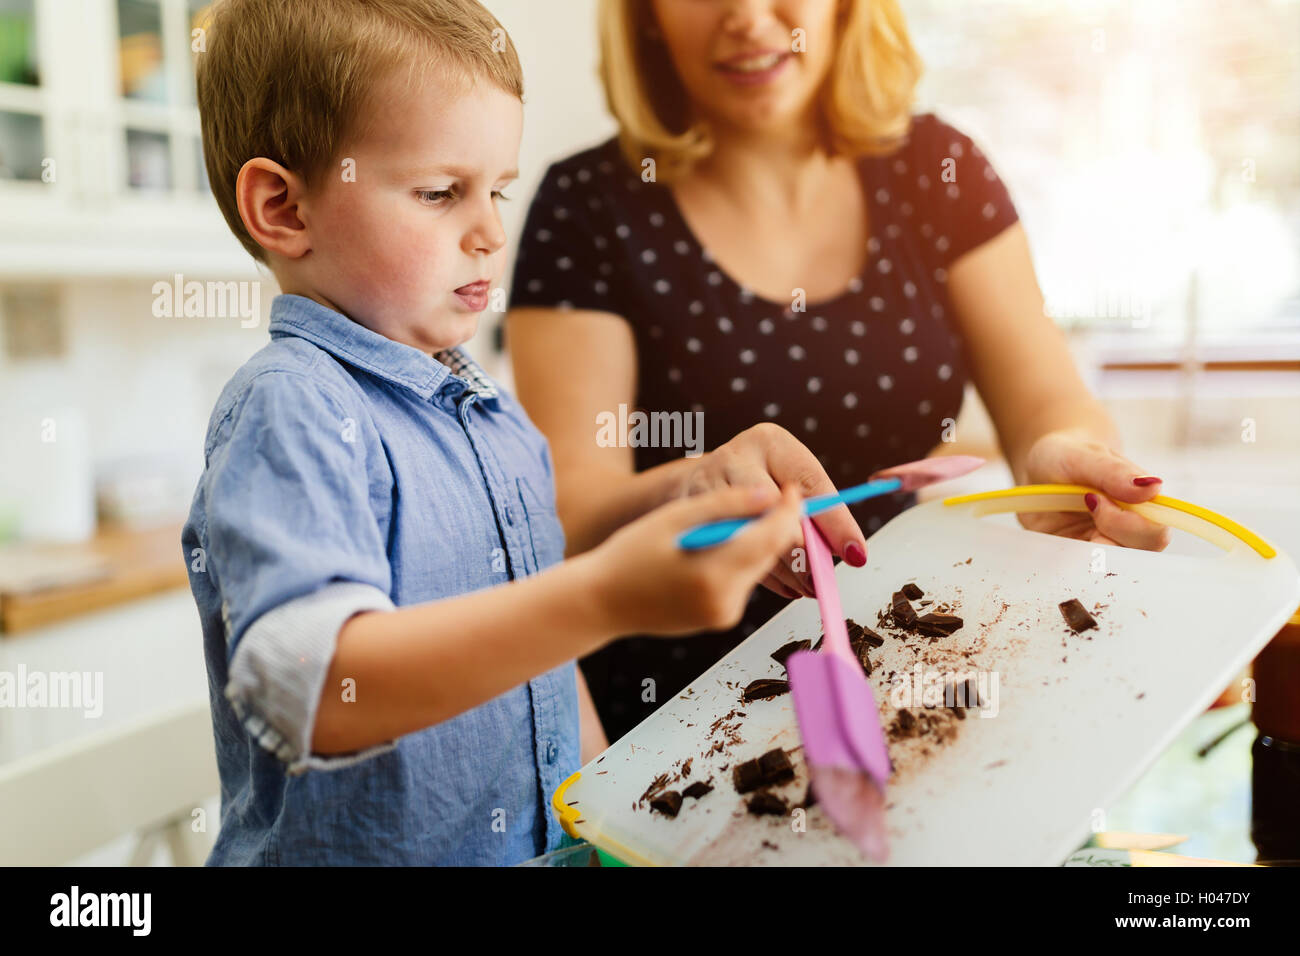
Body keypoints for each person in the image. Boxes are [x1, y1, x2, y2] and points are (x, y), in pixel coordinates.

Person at [183, 0, 805, 866]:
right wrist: (605, 600)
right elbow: (317, 687)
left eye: (498, 190)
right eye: (441, 193)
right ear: (283, 207)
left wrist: (689, 489)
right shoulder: (295, 407)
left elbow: (538, 629)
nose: (490, 233)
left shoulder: (488, 409)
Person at [506, 0, 1171, 744]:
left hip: (910, 672)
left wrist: (1065, 462)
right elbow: (564, 525)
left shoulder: (938, 169)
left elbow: (1050, 402)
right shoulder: (586, 208)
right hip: (672, 731)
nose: (749, 19)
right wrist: (693, 487)